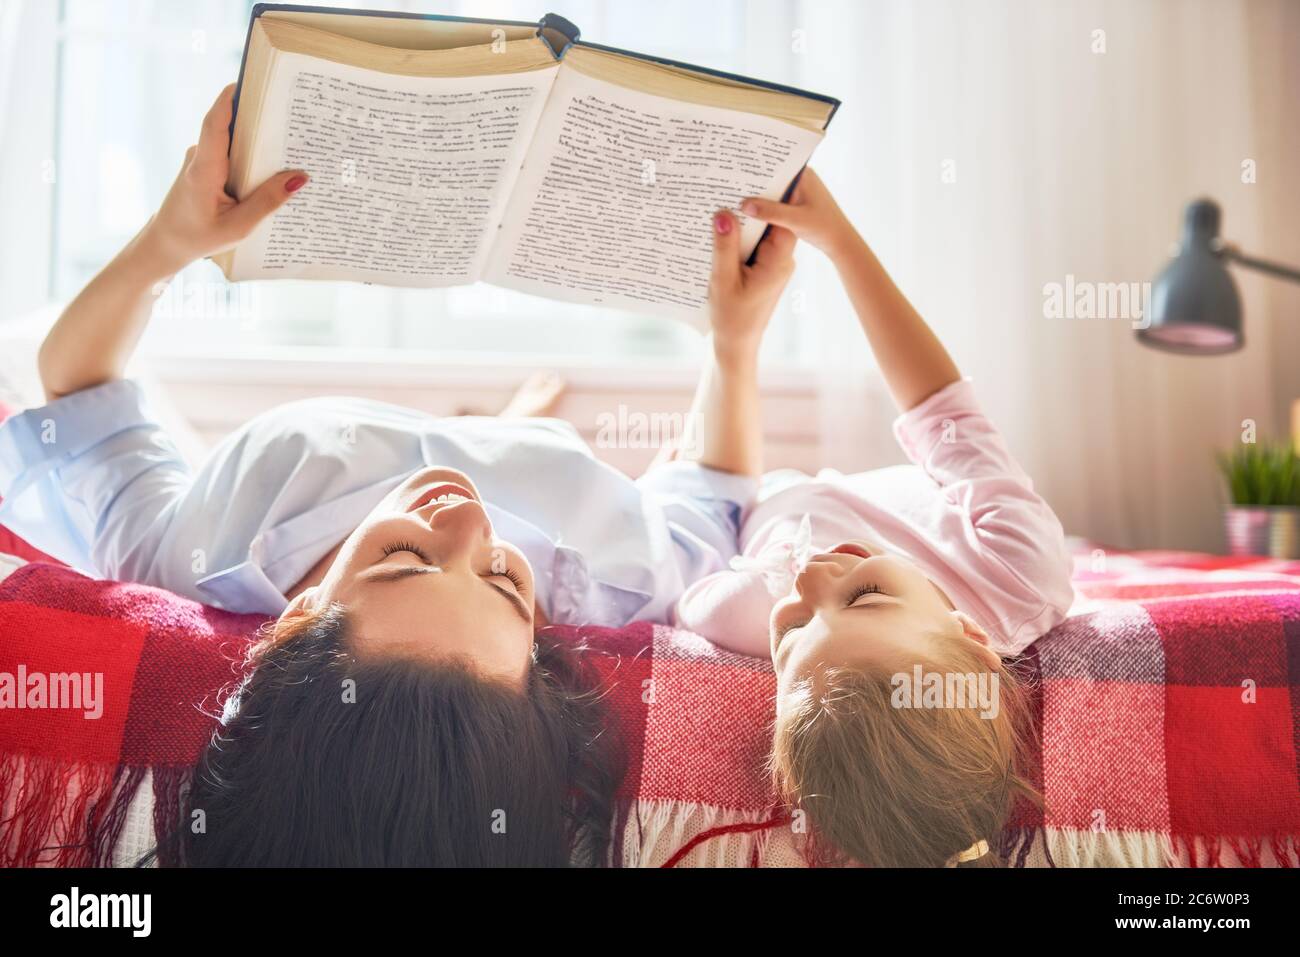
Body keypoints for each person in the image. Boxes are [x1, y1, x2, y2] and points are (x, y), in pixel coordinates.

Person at [0, 85, 796, 866]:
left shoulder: (195, 553)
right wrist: (735, 339)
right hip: (527, 432)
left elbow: (74, 381)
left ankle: (496, 416)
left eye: (405, 559)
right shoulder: (624, 581)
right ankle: (502, 417)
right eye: (503, 582)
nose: (469, 519)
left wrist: (170, 243)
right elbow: (713, 490)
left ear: (299, 619)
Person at [674, 169, 1075, 868]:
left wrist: (730, 345)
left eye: (793, 633)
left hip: (760, 477)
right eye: (865, 594)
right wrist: (840, 241)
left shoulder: (737, 613)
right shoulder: (1019, 572)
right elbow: (942, 408)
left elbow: (707, 501)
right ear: (974, 640)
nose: (809, 580)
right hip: (852, 481)